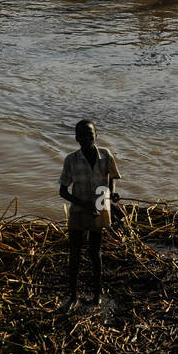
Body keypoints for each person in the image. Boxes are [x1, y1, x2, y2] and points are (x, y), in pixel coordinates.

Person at [58, 119, 121, 310]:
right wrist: (84, 204)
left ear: (96, 135)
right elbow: (63, 191)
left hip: (99, 209)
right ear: (76, 138)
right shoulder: (71, 160)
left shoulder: (106, 155)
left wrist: (111, 195)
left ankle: (96, 295)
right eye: (82, 135)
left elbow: (112, 178)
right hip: (78, 211)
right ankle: (73, 296)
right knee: (75, 254)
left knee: (95, 253)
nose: (86, 138)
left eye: (90, 134)